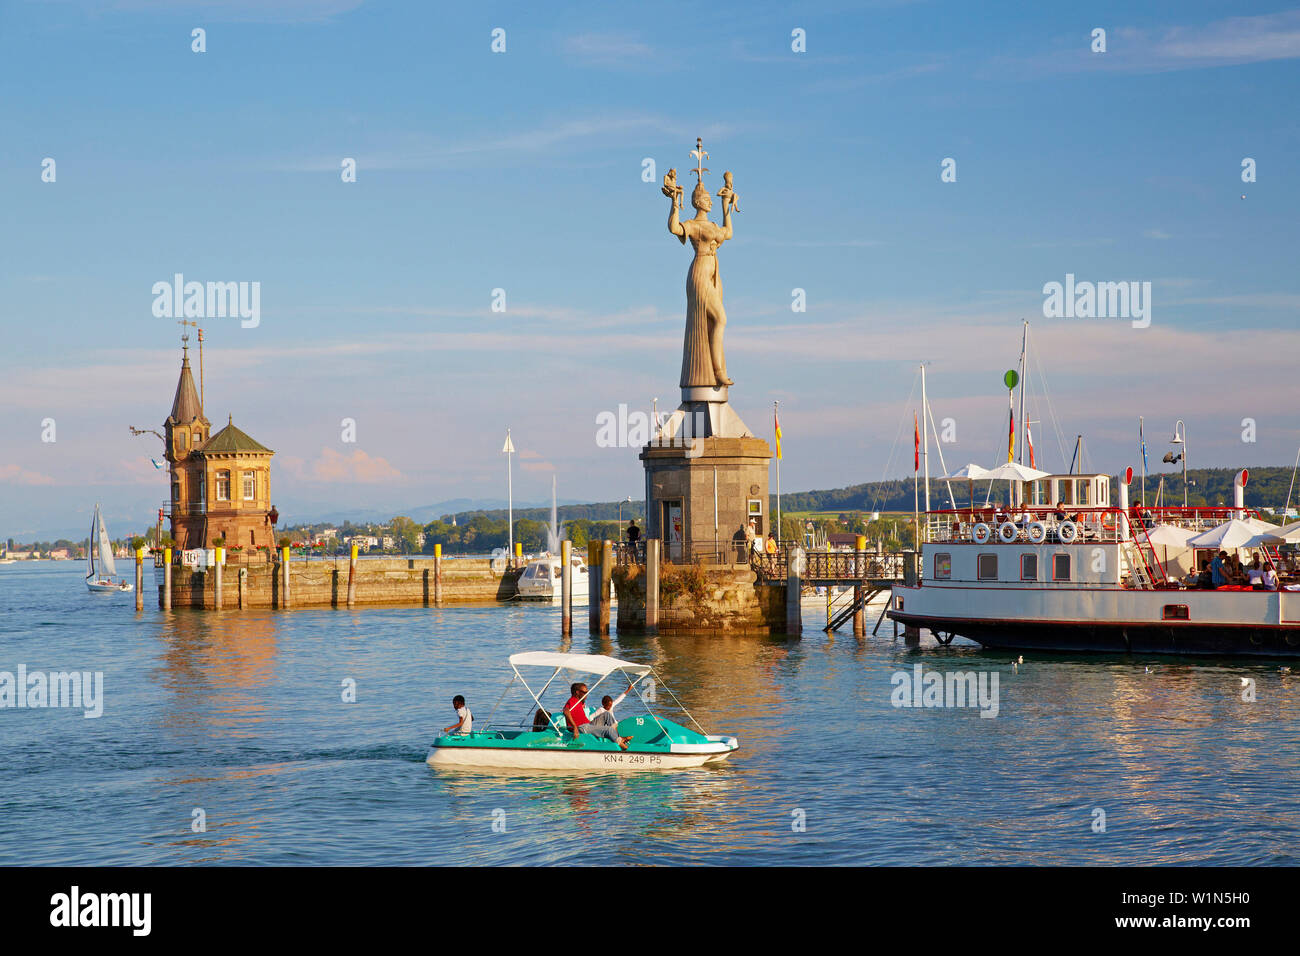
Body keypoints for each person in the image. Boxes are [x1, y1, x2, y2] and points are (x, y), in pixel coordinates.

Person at [564, 682, 632, 751]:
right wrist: (575, 727)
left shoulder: (579, 702)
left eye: (587, 692)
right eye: (585, 692)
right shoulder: (572, 701)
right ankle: (626, 749)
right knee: (608, 729)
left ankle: (618, 737)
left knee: (607, 714)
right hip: (582, 728)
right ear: (577, 692)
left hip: (588, 725)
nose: (587, 694)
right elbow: (566, 711)